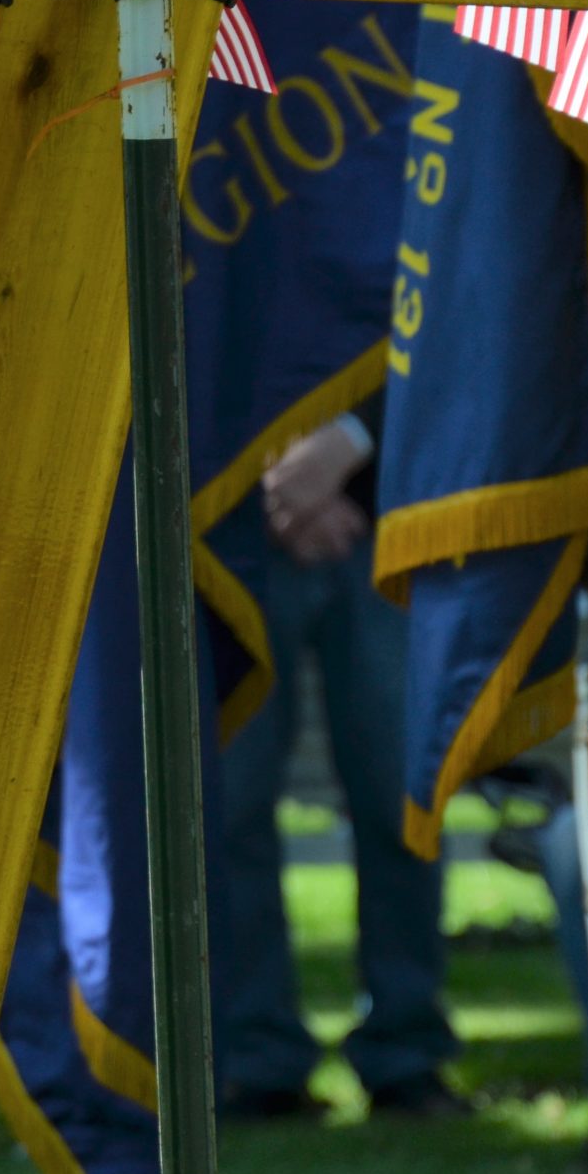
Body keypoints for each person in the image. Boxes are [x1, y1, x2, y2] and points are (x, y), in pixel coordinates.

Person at [211, 401, 464, 1120]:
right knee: (229, 804)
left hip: (392, 506)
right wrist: (272, 476)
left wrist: (346, 446)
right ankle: (255, 1057)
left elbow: (435, 318)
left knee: (401, 798)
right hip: (231, 516)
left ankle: (407, 1051)